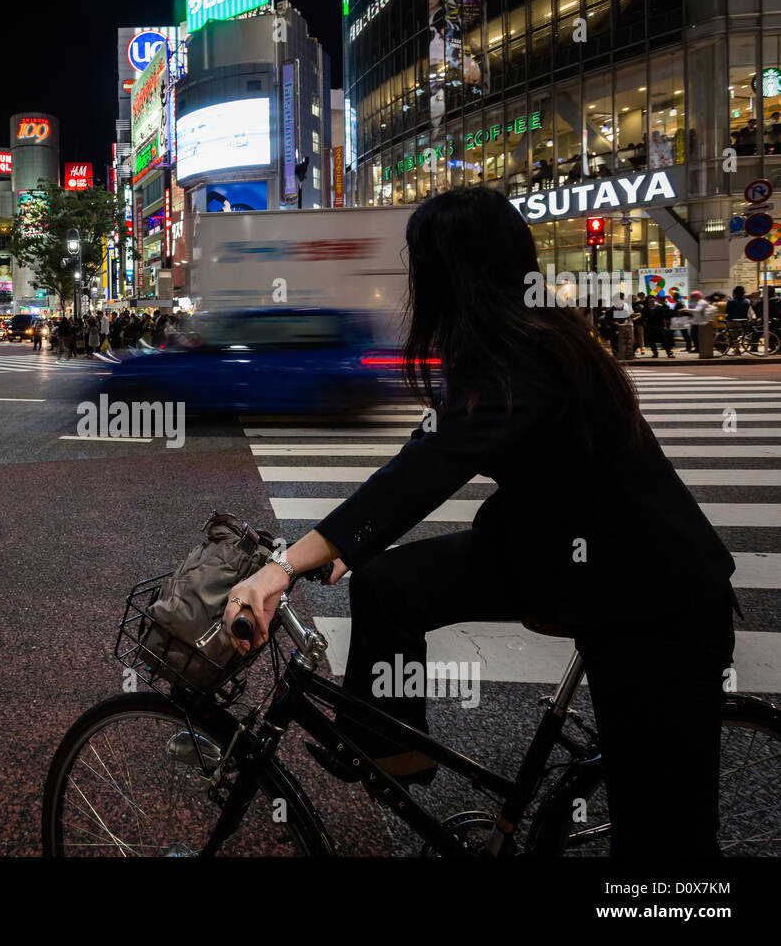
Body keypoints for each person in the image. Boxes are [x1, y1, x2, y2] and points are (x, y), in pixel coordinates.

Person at [223, 186, 737, 857]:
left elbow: (426, 472)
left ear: (452, 273)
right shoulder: (512, 344)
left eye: (420, 265)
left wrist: (282, 568)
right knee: (387, 582)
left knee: (663, 854)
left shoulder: (527, 359)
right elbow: (426, 448)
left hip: (653, 599)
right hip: (559, 548)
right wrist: (340, 544)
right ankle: (392, 750)